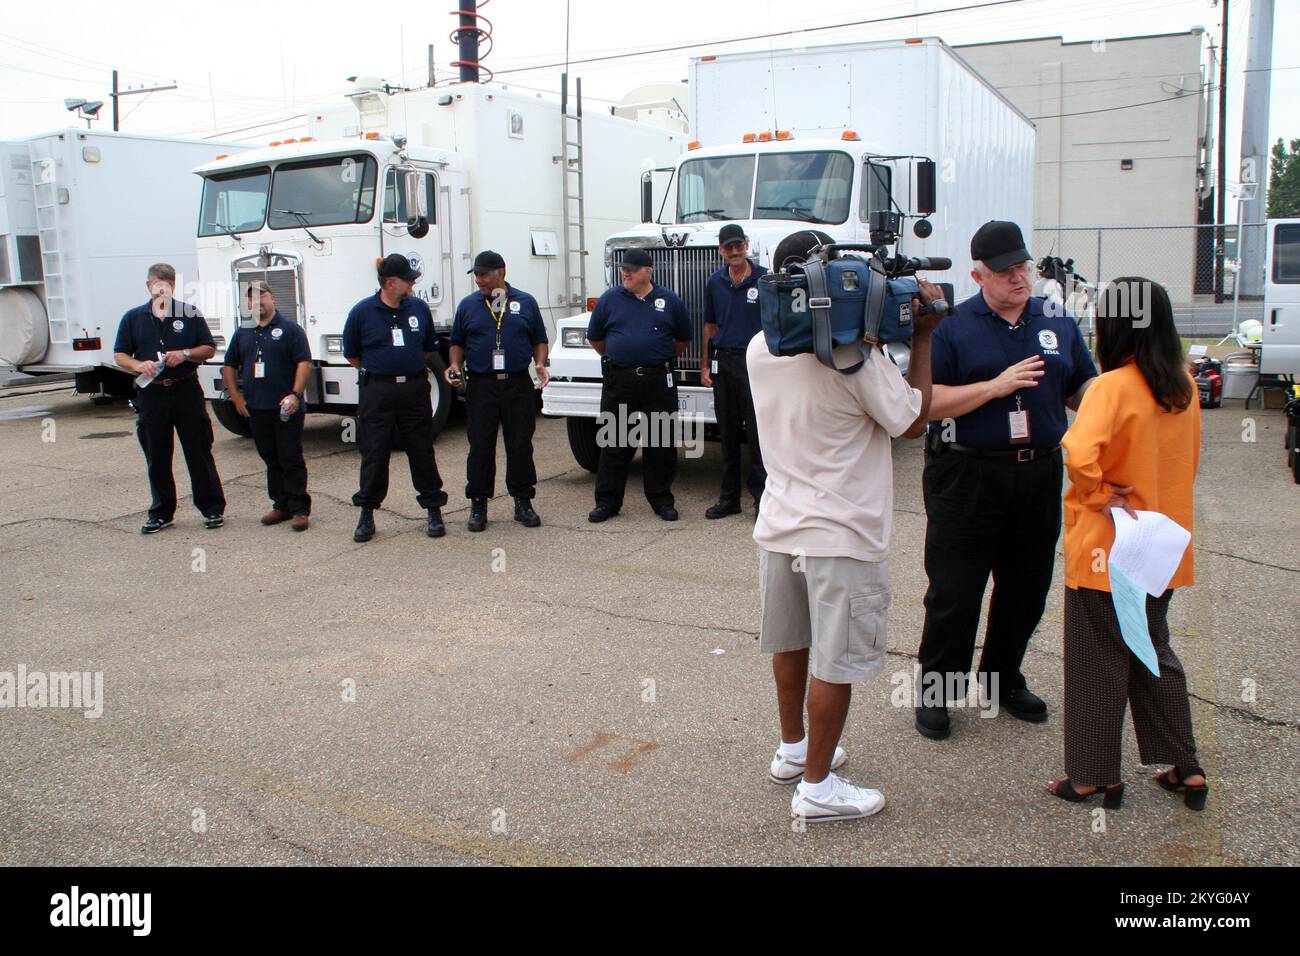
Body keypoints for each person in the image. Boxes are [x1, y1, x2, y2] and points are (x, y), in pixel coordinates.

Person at [749, 233, 946, 823]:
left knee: (790, 641)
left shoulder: (763, 344)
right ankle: (817, 789)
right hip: (842, 533)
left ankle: (794, 751)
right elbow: (911, 420)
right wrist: (923, 335)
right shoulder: (851, 356)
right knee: (836, 659)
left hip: (781, 523)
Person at [915, 220, 1098, 741]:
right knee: (955, 590)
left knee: (1026, 587)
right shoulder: (951, 327)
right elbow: (926, 404)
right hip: (967, 473)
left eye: (1023, 266)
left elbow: (1080, 384)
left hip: (1038, 473)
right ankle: (937, 692)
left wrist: (1113, 398)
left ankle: (1001, 679)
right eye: (1005, 271)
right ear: (978, 275)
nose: (1018, 278)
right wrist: (995, 388)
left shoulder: (1055, 318)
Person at [1048, 277, 1207, 811]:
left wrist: (1099, 493)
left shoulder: (1112, 387)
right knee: (1152, 650)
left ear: (1112, 326)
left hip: (1107, 551)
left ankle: (1095, 777)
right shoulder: (1182, 387)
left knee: (1098, 663)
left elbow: (1077, 453)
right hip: (1161, 547)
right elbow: (1190, 465)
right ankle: (1183, 766)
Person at [112, 263, 225, 534]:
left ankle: (211, 508)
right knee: (157, 454)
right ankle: (162, 512)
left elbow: (209, 349)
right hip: (152, 393)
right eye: (156, 283)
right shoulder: (133, 318)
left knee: (198, 451)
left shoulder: (189, 314)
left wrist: (185, 353)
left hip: (185, 389)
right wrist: (139, 365)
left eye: (167, 283)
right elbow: (120, 355)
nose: (161, 287)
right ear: (148, 285)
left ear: (173, 286)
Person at [342, 253, 448, 542]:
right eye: (408, 279)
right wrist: (382, 372)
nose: (413, 284)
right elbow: (352, 353)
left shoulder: (418, 309)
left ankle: (433, 509)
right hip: (378, 391)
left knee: (421, 449)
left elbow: (428, 348)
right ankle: (367, 513)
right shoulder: (362, 312)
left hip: (414, 389)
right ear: (390, 283)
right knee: (374, 451)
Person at [585, 248, 692, 523]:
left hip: (658, 382)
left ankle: (661, 499)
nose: (626, 273)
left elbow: (681, 340)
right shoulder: (610, 299)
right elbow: (597, 339)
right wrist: (623, 357)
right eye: (624, 268)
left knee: (660, 443)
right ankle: (607, 501)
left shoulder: (669, 300)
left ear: (648, 271)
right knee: (615, 442)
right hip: (620, 381)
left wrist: (652, 357)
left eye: (632, 269)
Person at [446, 251, 549, 532]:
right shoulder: (468, 306)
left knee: (519, 445)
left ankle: (523, 501)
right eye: (476, 274)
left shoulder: (525, 303)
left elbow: (539, 339)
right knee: (480, 446)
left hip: (517, 383)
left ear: (500, 272)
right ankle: (478, 503)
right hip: (482, 385)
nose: (478, 279)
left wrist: (540, 363)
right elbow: (457, 342)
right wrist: (455, 364)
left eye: (483, 274)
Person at [221, 280, 313, 531]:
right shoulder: (243, 333)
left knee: (290, 457)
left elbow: (304, 363)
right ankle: (280, 505)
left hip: (286, 408)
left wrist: (295, 394)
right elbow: (229, 365)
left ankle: (299, 509)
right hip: (257, 408)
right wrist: (236, 397)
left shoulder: (290, 329)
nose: (256, 302)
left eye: (261, 296)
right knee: (270, 458)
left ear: (272, 298)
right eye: (250, 299)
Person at [701, 224, 768, 519]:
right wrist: (705, 365)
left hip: (755, 363)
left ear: (746, 244)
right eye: (728, 247)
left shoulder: (765, 278)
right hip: (724, 363)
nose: (735, 251)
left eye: (738, 245)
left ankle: (762, 499)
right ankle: (729, 499)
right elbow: (710, 326)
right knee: (727, 433)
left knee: (757, 434)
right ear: (721, 250)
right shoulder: (714, 282)